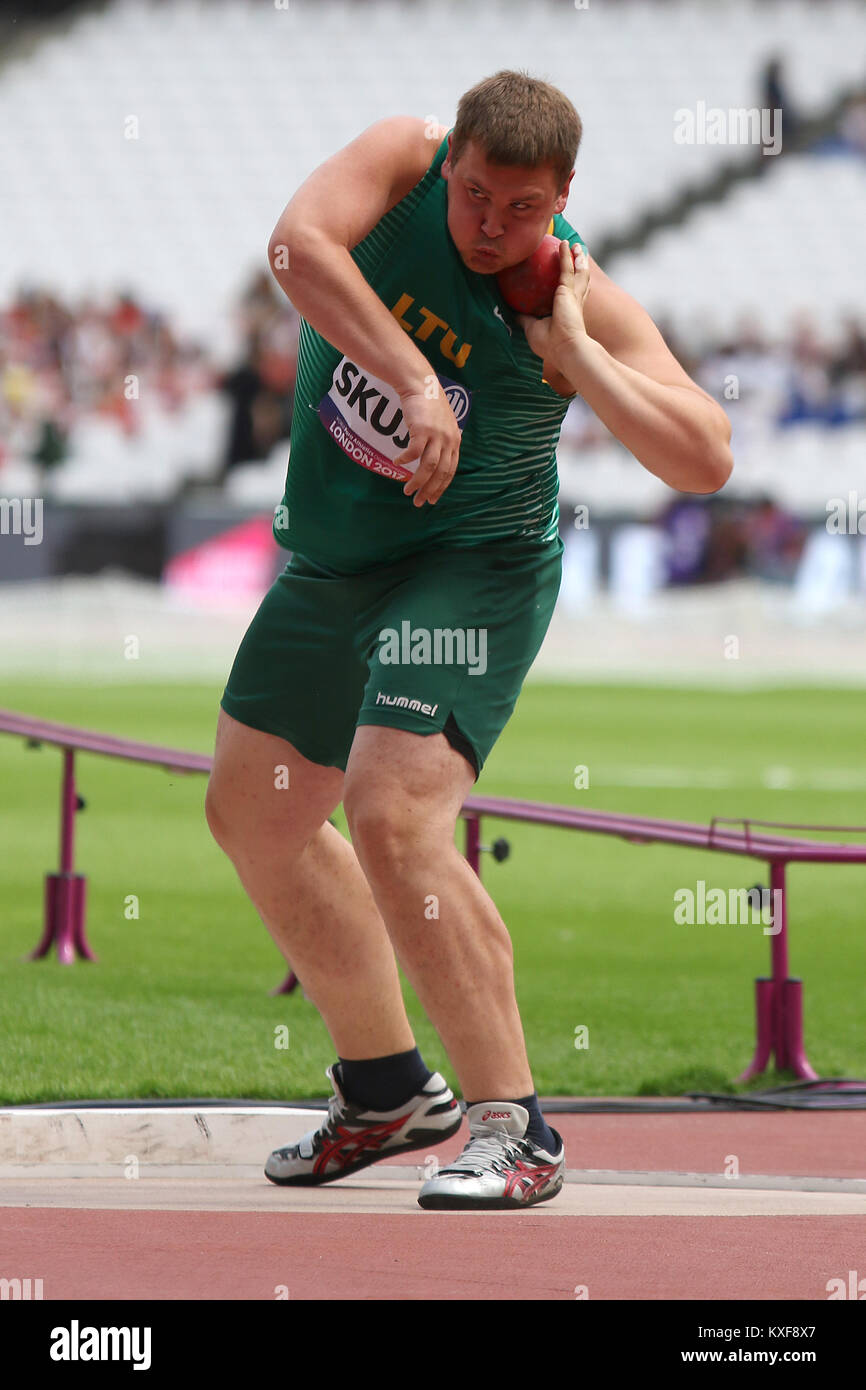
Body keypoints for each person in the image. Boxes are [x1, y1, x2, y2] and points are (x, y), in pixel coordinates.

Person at [205, 70, 732, 1210]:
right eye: (479, 196)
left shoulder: (566, 284)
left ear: (565, 198)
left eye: (524, 208)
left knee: (391, 811)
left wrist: (578, 357)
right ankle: (387, 1086)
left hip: (470, 569)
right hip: (339, 560)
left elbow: (705, 458)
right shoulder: (399, 159)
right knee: (253, 809)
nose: (494, 227)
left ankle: (513, 1124)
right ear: (451, 161)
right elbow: (295, 249)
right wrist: (415, 380)